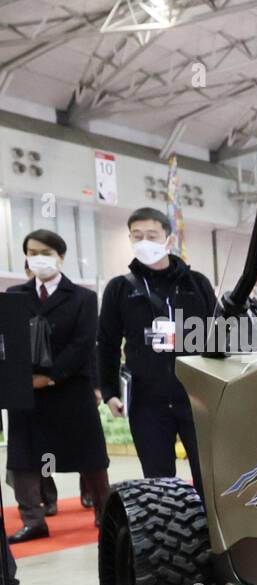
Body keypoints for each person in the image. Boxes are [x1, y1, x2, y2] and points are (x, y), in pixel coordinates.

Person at [97, 207, 216, 500]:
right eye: (137, 236)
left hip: (196, 398)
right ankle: (168, 527)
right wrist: (110, 391)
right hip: (147, 401)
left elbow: (216, 336)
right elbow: (107, 343)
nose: (144, 242)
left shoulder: (196, 284)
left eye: (151, 235)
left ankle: (213, 528)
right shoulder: (119, 289)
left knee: (209, 475)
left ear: (168, 240)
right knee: (158, 480)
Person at [5, 229, 110, 545]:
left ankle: (106, 514)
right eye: (32, 253)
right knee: (24, 458)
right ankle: (33, 520)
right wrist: (21, 379)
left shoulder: (83, 298)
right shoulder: (14, 296)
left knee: (90, 456)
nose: (38, 258)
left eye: (46, 253)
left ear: (61, 257)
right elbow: (8, 343)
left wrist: (49, 376)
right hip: (26, 393)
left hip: (71, 388)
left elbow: (82, 345)